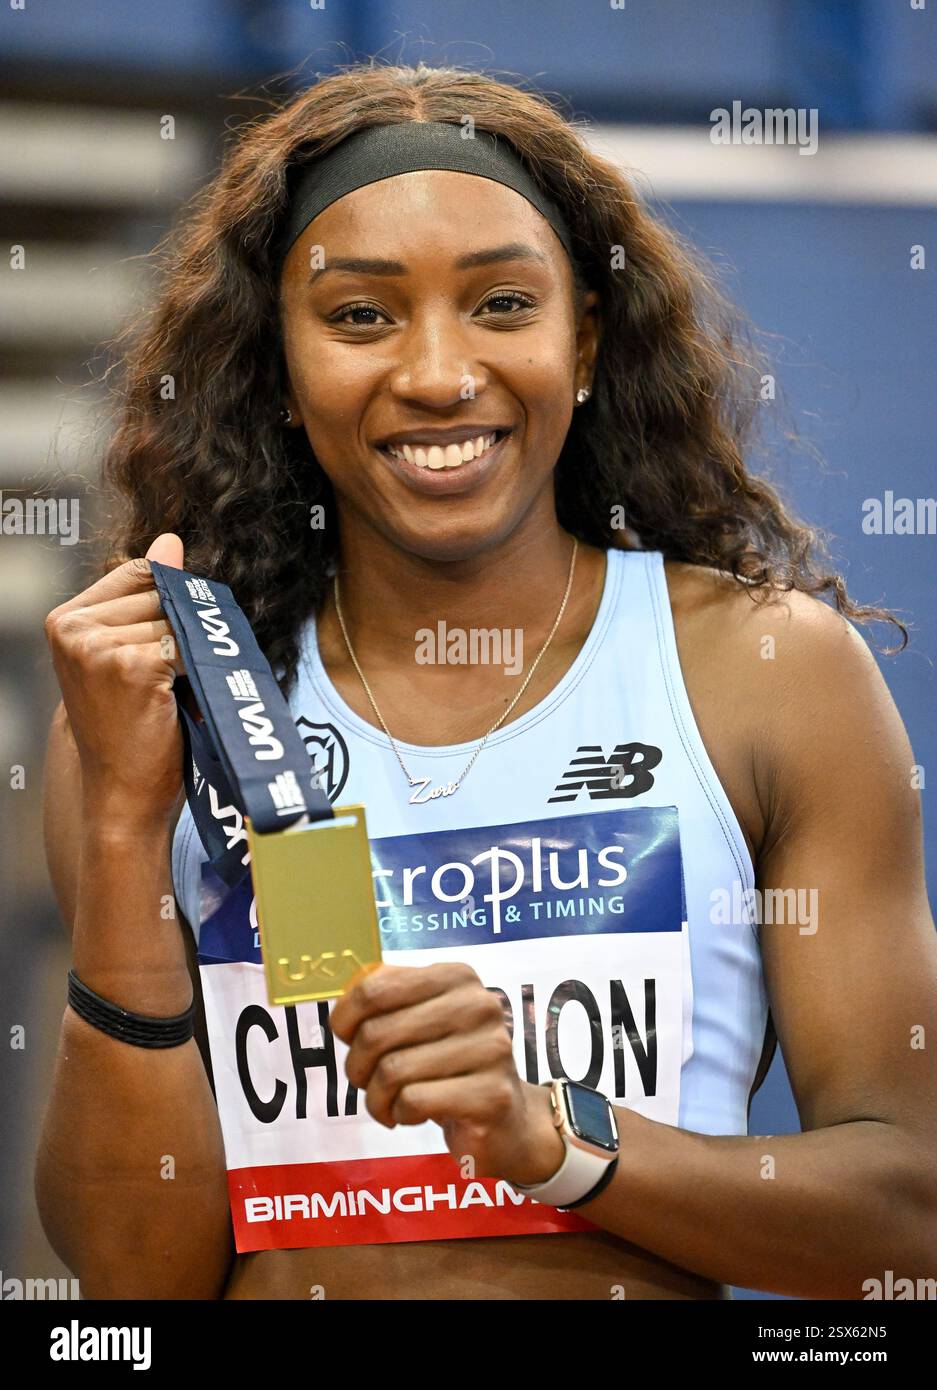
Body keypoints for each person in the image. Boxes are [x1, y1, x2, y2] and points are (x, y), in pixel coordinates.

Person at [37, 62, 937, 1301]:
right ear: (280, 373)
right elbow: (138, 1291)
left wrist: (555, 1142)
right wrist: (129, 823)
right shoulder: (164, 709)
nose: (438, 374)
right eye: (359, 317)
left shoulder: (767, 675)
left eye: (504, 304)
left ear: (587, 339)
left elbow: (910, 1220)